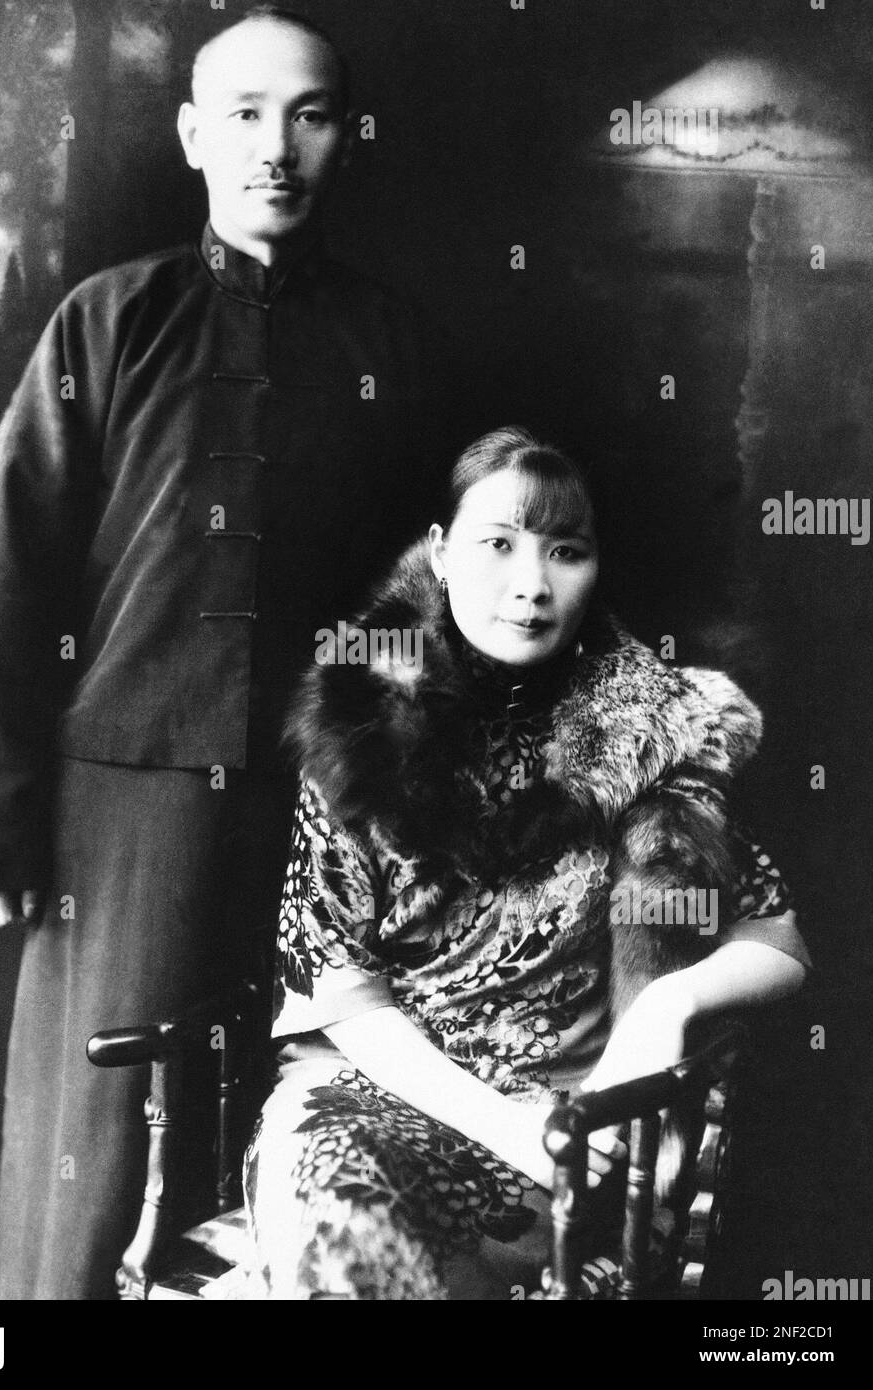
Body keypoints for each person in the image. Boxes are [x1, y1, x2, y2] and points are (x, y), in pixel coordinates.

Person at [0, 6, 442, 1299]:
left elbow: (424, 599)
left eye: (309, 114)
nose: (275, 147)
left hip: (329, 814)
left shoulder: (389, 344)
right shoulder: (109, 320)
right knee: (97, 1162)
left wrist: (400, 805)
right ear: (190, 135)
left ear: (343, 137)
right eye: (244, 114)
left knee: (294, 1149)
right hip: (123, 820)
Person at [242, 426, 811, 1300]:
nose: (530, 585)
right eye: (497, 544)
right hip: (390, 1094)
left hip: (587, 1122)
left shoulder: (656, 730)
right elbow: (338, 983)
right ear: (438, 553)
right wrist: (510, 1132)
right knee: (334, 1209)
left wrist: (666, 1001)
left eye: (565, 552)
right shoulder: (361, 725)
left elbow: (779, 943)